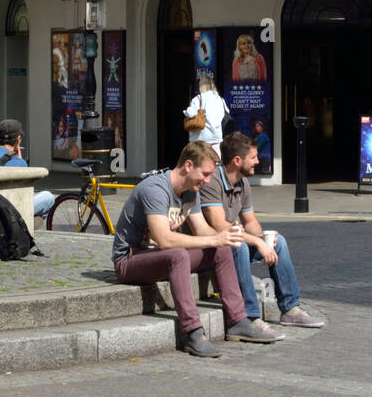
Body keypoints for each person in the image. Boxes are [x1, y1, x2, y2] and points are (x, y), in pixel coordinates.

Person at [111, 141, 277, 357]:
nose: (208, 180)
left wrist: (230, 237)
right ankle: (193, 333)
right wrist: (213, 240)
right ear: (188, 165)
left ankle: (238, 321)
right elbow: (164, 240)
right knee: (178, 254)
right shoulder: (155, 189)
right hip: (129, 260)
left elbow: (202, 230)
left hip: (159, 257)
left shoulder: (191, 192)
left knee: (222, 248)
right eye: (206, 174)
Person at [202, 133, 325, 330]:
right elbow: (219, 225)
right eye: (253, 158)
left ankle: (290, 309)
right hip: (209, 247)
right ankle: (250, 316)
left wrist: (264, 239)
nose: (258, 162)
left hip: (232, 240)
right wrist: (257, 242)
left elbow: (250, 221)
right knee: (239, 245)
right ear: (237, 160)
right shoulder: (213, 181)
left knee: (279, 242)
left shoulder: (243, 183)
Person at [0, 118, 56, 221]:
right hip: (12, 211)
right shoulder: (19, 163)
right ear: (18, 138)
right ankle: (27, 224)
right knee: (48, 197)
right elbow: (23, 193)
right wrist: (20, 160)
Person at [183, 73, 228, 152]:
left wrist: (185, 111)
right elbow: (225, 113)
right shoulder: (220, 99)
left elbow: (191, 113)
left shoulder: (198, 98)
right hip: (216, 138)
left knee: (199, 162)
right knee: (216, 161)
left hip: (201, 138)